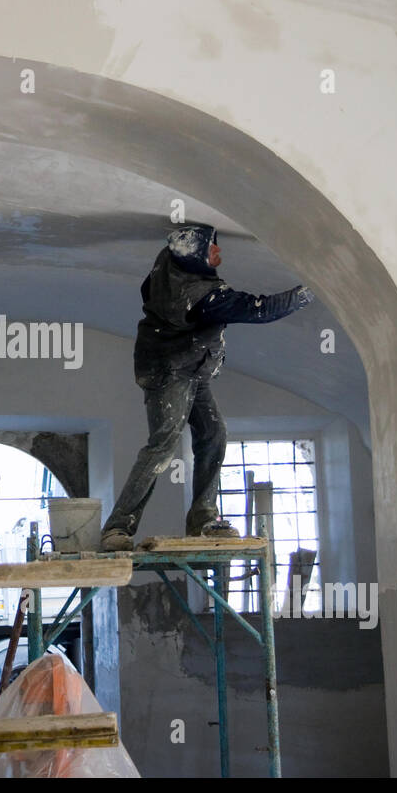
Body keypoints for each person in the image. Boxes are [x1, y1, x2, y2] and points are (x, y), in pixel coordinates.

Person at [100, 222, 315, 551]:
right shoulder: (201, 297)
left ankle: (203, 518)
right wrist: (312, 291)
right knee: (162, 446)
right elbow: (260, 309)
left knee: (214, 433)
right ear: (197, 258)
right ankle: (117, 528)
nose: (219, 253)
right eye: (211, 248)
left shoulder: (170, 261)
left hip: (191, 366)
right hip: (169, 370)